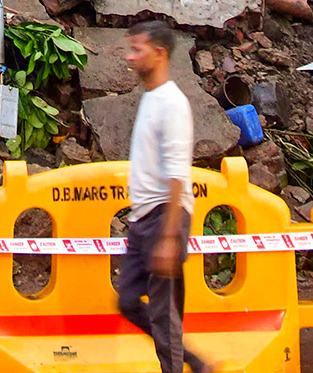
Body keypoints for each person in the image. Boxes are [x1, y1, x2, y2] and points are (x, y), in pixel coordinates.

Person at [116, 20, 209, 373]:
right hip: (142, 219)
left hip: (164, 217)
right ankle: (194, 362)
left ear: (160, 54)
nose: (129, 57)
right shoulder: (151, 98)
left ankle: (178, 367)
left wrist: (170, 236)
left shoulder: (172, 103)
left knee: (163, 311)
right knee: (127, 301)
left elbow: (177, 175)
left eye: (137, 50)